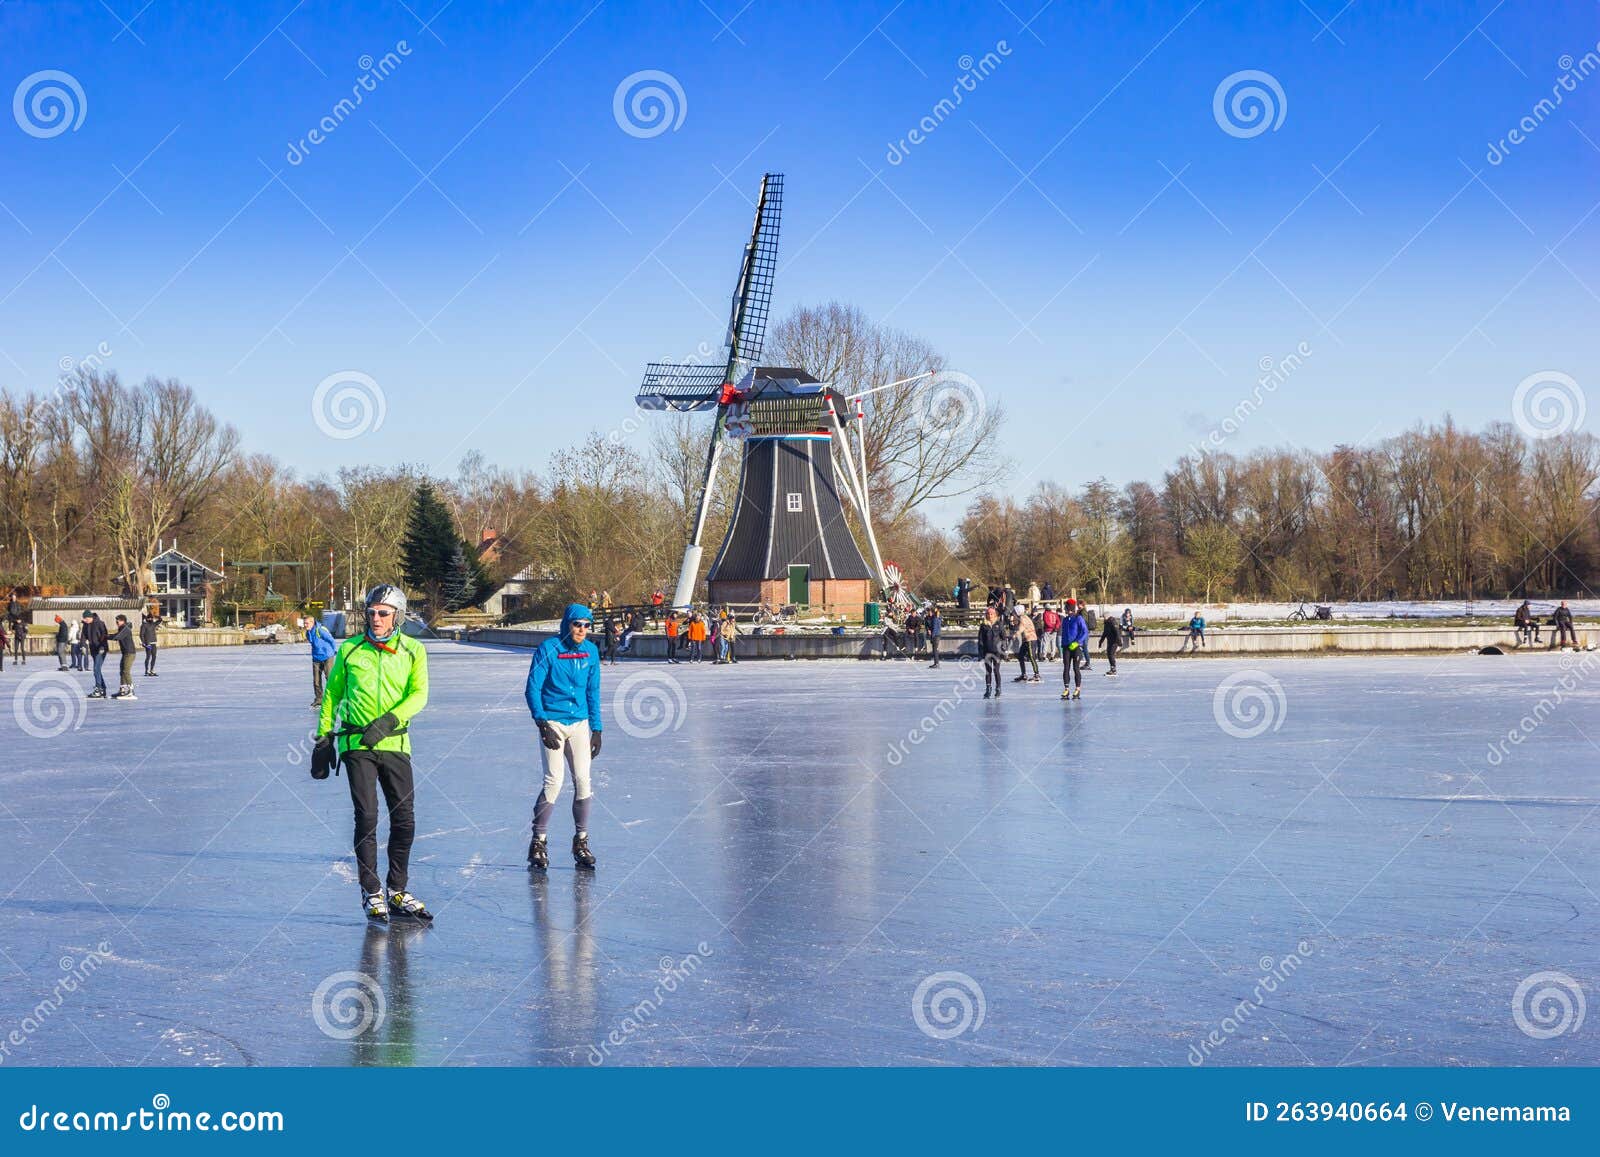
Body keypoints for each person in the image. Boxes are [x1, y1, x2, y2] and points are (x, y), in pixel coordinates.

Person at [315, 585, 432, 923]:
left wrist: (389, 721)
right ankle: (371, 891)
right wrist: (324, 739)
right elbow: (332, 695)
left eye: (383, 612)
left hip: (394, 743)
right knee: (366, 816)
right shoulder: (350, 650)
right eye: (372, 612)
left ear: (397, 615)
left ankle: (397, 890)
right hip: (357, 745)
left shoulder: (413, 650)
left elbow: (419, 694)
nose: (376, 618)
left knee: (404, 818)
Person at [525, 603, 603, 871]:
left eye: (586, 625)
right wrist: (541, 722)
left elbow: (593, 691)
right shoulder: (549, 649)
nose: (582, 629)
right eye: (577, 624)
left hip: (579, 723)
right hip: (553, 722)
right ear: (567, 624)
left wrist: (597, 728)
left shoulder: (591, 652)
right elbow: (533, 688)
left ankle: (581, 841)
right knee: (554, 781)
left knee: (583, 781)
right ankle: (539, 841)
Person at [306, 615, 337, 707]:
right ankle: (319, 699)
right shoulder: (308, 633)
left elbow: (331, 639)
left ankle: (333, 697)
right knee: (316, 680)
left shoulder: (320, 630)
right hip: (316, 658)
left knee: (329, 678)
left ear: (312, 622)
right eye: (304, 623)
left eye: (307, 623)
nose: (305, 625)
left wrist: (333, 650)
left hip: (327, 656)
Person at [1060, 601, 1088, 700]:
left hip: (1075, 647)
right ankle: (1066, 689)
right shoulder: (1065, 619)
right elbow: (1064, 633)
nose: (1064, 609)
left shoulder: (1078, 618)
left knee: (1076, 668)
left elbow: (1085, 631)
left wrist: (1077, 642)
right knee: (1066, 668)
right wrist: (1063, 645)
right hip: (1066, 647)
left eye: (1065, 607)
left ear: (1069, 608)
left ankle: (1077, 689)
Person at [979, 606, 1005, 698]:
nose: (990, 615)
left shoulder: (999, 624)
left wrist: (1003, 650)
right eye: (988, 614)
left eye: (991, 614)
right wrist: (980, 652)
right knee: (988, 671)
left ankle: (998, 689)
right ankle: (988, 689)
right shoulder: (983, 625)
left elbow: (1003, 638)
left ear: (995, 615)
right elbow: (981, 640)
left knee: (996, 670)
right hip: (987, 652)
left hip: (997, 652)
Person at [83, 610, 109, 698]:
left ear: (90, 617)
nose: (85, 620)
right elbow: (83, 635)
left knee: (96, 668)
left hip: (101, 649)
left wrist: (102, 647)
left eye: (86, 618)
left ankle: (99, 688)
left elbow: (104, 635)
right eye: (84, 618)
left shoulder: (100, 623)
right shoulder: (85, 625)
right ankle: (103, 689)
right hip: (93, 649)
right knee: (97, 670)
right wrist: (82, 646)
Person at [112, 614, 138, 699]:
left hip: (130, 653)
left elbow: (118, 637)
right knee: (122, 671)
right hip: (125, 653)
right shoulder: (122, 628)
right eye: (116, 620)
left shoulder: (125, 629)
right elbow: (116, 635)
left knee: (126, 671)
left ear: (123, 621)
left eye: (118, 620)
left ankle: (131, 691)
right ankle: (122, 690)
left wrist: (106, 637)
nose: (116, 622)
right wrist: (106, 636)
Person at [1012, 605, 1040, 683]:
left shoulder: (1023, 618)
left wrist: (1015, 634)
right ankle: (1023, 674)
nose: (1013, 613)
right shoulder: (1024, 617)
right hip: (1026, 640)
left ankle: (1037, 674)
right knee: (1021, 656)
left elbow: (1021, 628)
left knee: (1031, 657)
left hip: (1031, 639)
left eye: (1015, 612)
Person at [139, 609, 162, 676]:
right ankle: (146, 671)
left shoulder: (153, 624)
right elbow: (141, 634)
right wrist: (143, 642)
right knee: (148, 656)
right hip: (147, 643)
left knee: (154, 656)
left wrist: (156, 616)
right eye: (149, 618)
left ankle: (152, 670)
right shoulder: (144, 625)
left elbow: (160, 620)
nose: (150, 619)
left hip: (153, 642)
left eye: (151, 618)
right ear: (147, 619)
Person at [1098, 612, 1122, 676]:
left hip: (1114, 641)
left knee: (1111, 654)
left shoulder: (1112, 622)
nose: (1103, 618)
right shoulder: (1106, 623)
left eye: (1104, 617)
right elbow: (1104, 633)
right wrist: (1100, 642)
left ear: (1107, 616)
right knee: (1109, 654)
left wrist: (1119, 644)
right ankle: (1112, 669)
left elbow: (1117, 633)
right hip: (1110, 641)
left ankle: (1113, 670)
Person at [926, 604, 942, 668]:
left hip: (936, 635)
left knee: (935, 650)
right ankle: (936, 663)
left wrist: (932, 636)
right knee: (934, 649)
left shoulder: (935, 618)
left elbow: (935, 629)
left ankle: (936, 663)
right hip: (937, 635)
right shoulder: (936, 618)